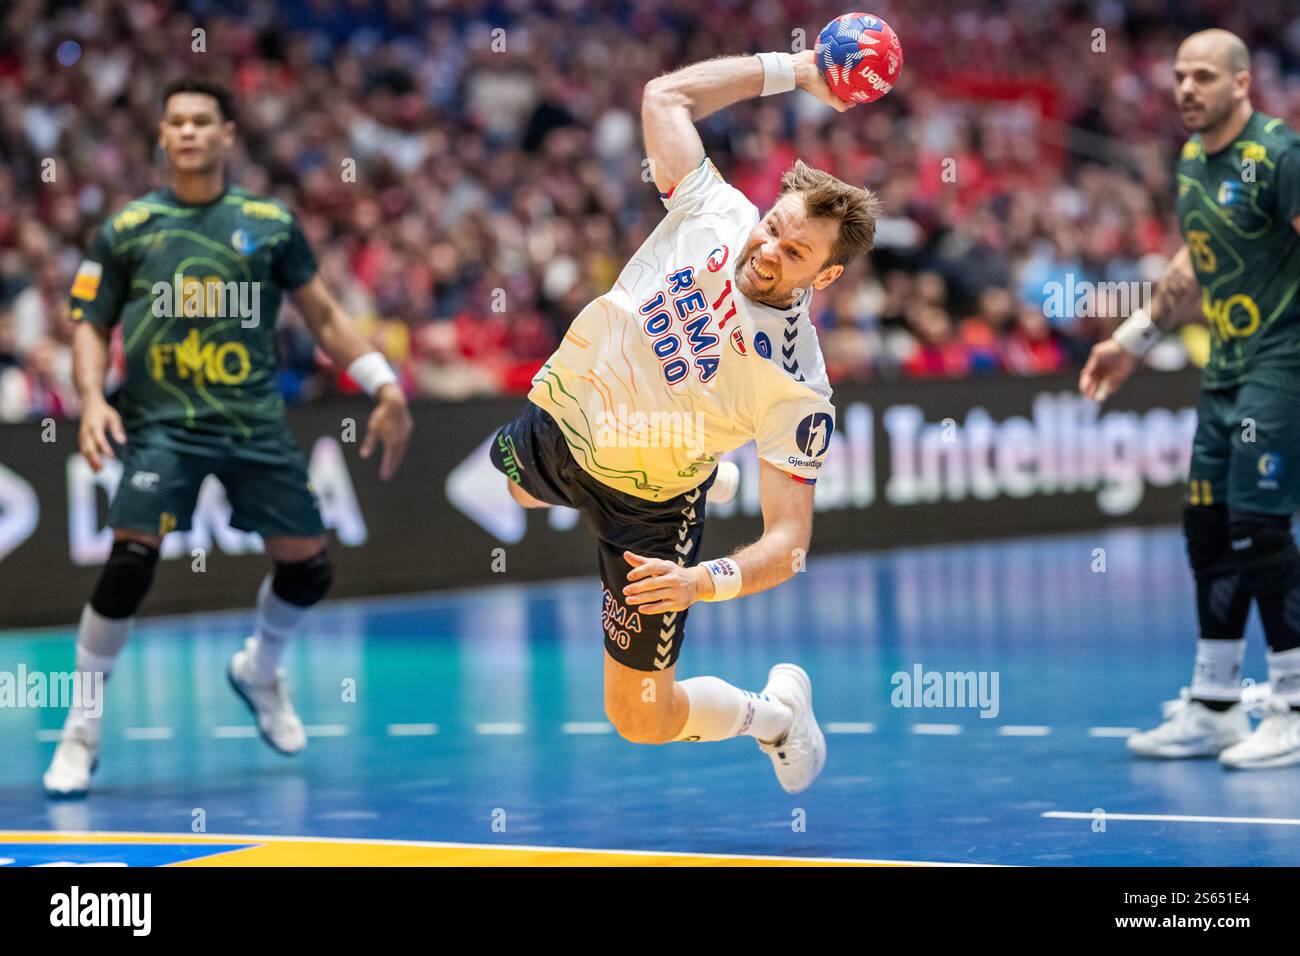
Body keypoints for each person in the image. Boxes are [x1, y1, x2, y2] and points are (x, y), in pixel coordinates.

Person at [488, 48, 879, 792]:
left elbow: (790, 545)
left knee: (640, 717)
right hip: (571, 414)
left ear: (824, 276)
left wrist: (701, 580)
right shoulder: (716, 212)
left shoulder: (798, 388)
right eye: (772, 227)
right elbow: (664, 96)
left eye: (793, 252)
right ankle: (714, 469)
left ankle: (776, 716)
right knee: (512, 488)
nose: (766, 249)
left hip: (649, 506)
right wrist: (796, 69)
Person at [43, 77, 413, 797]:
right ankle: (80, 729)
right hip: (161, 425)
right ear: (161, 135)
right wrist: (90, 398)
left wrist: (384, 383)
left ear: (227, 135)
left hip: (253, 421)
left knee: (310, 569)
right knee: (129, 563)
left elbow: (326, 317)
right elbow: (88, 323)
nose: (187, 132)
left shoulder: (268, 223)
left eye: (202, 121)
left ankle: (258, 671)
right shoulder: (127, 229)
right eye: (175, 121)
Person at [1079, 30, 1300, 768]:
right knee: (1206, 526)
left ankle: (1295, 704)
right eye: (1178, 75)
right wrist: (1131, 341)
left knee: (1258, 526)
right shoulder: (1192, 162)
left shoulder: (1280, 155)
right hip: (1227, 366)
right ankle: (1215, 705)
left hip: (1284, 362)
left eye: (1204, 76)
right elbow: (1194, 263)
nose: (1186, 88)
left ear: (1243, 83)